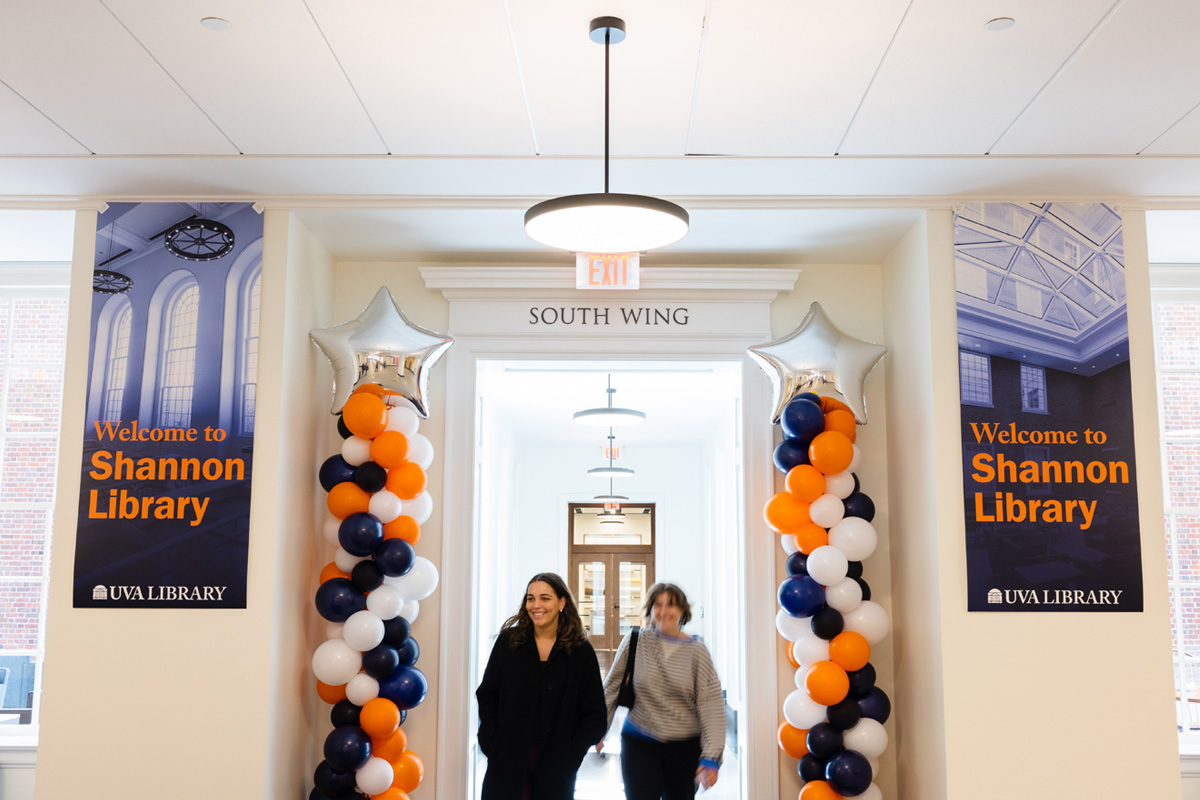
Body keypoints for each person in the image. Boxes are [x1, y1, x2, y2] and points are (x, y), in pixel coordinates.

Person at [476, 572, 608, 800]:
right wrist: (490, 741)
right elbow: (488, 694)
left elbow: (595, 715)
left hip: (557, 766)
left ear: (561, 602)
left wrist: (572, 754)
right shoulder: (509, 642)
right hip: (506, 760)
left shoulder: (579, 651)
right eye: (530, 598)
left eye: (545, 598)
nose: (536, 605)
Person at [598, 582, 725, 800]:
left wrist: (711, 757)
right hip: (639, 743)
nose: (664, 611)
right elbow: (612, 688)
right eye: (658, 605)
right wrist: (599, 728)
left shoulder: (697, 651)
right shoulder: (636, 641)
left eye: (671, 605)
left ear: (682, 611)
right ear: (650, 609)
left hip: (684, 748)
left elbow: (710, 704)